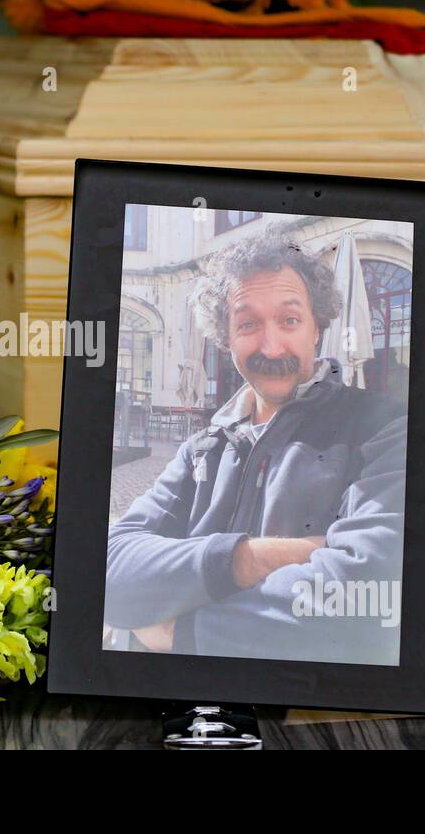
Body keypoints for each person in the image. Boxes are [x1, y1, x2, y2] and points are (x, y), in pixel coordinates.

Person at [105, 230, 408, 664]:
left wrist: (183, 629)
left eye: (289, 320)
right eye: (248, 324)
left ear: (317, 329)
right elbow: (110, 568)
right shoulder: (201, 450)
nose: (271, 345)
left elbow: (372, 596)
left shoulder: (385, 429)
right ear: (226, 340)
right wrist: (250, 559)